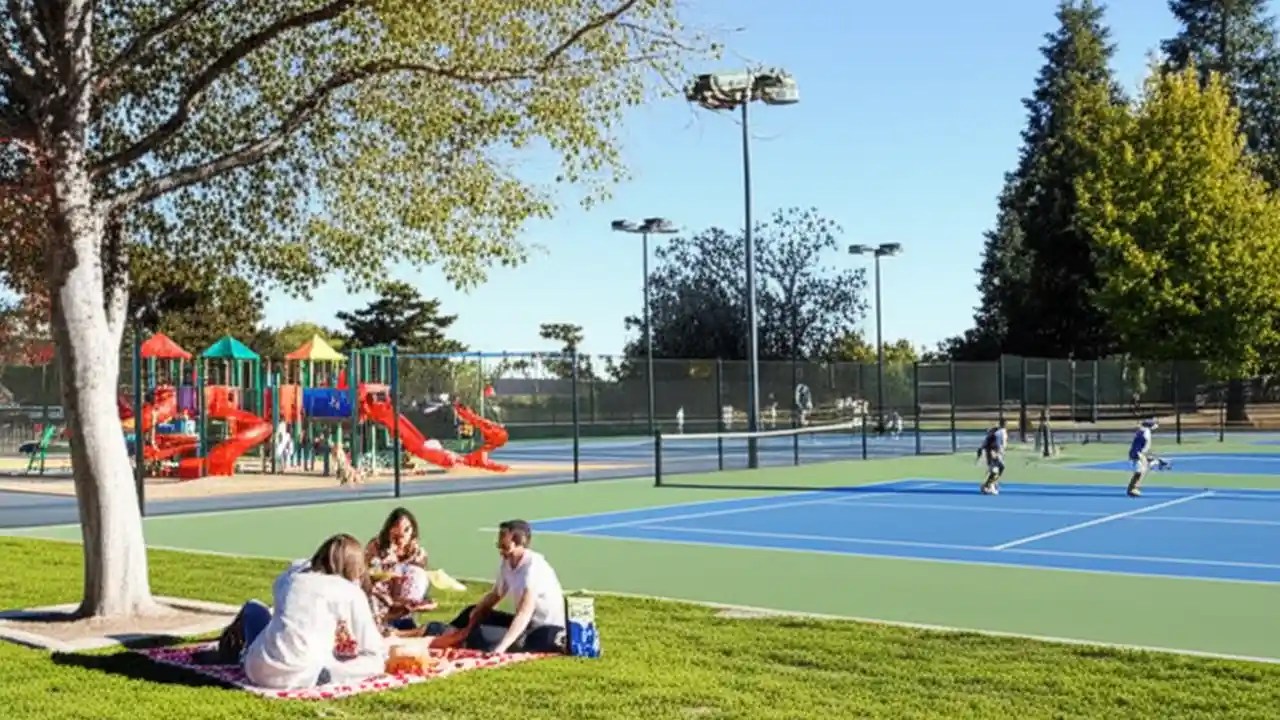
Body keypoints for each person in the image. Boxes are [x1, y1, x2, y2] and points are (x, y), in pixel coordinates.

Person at [238, 534, 387, 690]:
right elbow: (373, 648)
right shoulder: (349, 591)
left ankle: (240, 652)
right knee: (375, 662)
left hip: (258, 670)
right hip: (306, 673)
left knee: (254, 609)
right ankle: (328, 675)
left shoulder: (290, 579)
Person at [429, 519, 565, 654]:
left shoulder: (532, 568)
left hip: (540, 628)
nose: (501, 550)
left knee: (480, 635)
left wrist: (501, 647)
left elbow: (524, 613)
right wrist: (476, 612)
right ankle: (444, 634)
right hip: (524, 622)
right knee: (471, 612)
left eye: (505, 547)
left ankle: (459, 639)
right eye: (499, 545)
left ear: (520, 543)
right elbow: (496, 595)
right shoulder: (507, 563)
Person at [366, 507, 436, 631]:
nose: (402, 535)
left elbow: (417, 581)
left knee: (418, 574)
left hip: (404, 602)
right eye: (396, 530)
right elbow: (371, 574)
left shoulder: (417, 552)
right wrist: (389, 557)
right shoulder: (377, 546)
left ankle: (404, 615)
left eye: (407, 530)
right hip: (380, 600)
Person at [1127, 418, 1159, 497]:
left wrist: (1149, 455)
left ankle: (1134, 488)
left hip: (1140, 453)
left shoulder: (1144, 431)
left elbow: (1145, 446)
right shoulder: (1144, 432)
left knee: (1142, 471)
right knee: (1139, 471)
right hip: (1138, 454)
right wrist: (1139, 455)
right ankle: (1132, 489)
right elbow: (1140, 445)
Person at [978, 420, 1008, 495]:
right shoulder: (997, 432)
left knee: (1000, 467)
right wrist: (995, 452)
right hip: (992, 452)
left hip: (995, 452)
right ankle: (989, 485)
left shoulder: (999, 432)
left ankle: (989, 484)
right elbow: (991, 443)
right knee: (994, 470)